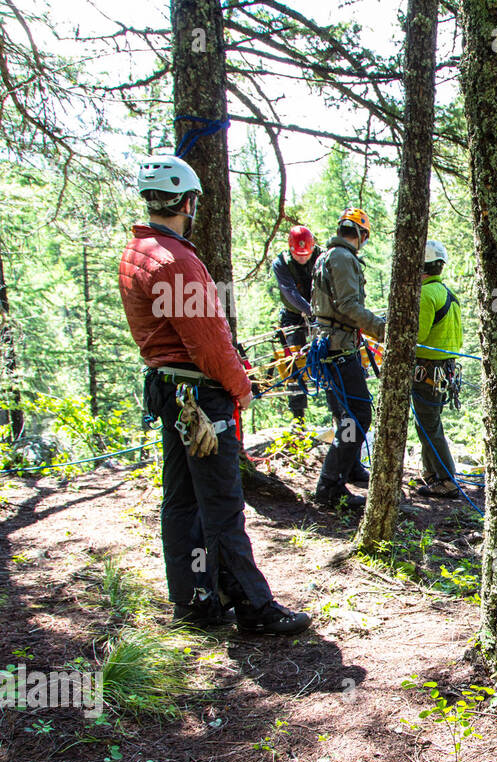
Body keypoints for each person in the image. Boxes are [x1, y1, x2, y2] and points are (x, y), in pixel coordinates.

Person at [119, 154, 311, 637]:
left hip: (169, 388)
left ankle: (195, 600)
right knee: (222, 503)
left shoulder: (138, 252)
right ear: (186, 201)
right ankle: (252, 606)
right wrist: (240, 386)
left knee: (183, 499)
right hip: (199, 397)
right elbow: (206, 341)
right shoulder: (175, 260)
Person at [310, 208, 385, 511]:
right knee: (357, 416)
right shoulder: (341, 258)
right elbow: (349, 305)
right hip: (339, 349)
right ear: (361, 235)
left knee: (346, 414)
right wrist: (382, 328)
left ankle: (351, 468)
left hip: (334, 345)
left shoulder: (327, 256)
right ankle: (329, 486)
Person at [412, 239, 463, 499]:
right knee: (427, 424)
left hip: (427, 371)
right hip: (443, 372)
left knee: (429, 426)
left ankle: (446, 479)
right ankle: (433, 474)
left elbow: (417, 336)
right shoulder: (447, 293)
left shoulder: (426, 295)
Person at [271, 225, 320, 424]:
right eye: (298, 255)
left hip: (320, 310)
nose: (302, 258)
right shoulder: (281, 263)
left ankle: (338, 411)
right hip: (294, 312)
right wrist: (309, 311)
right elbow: (289, 291)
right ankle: (298, 417)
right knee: (293, 360)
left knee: (329, 355)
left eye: (305, 254)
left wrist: (319, 312)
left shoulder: (321, 257)